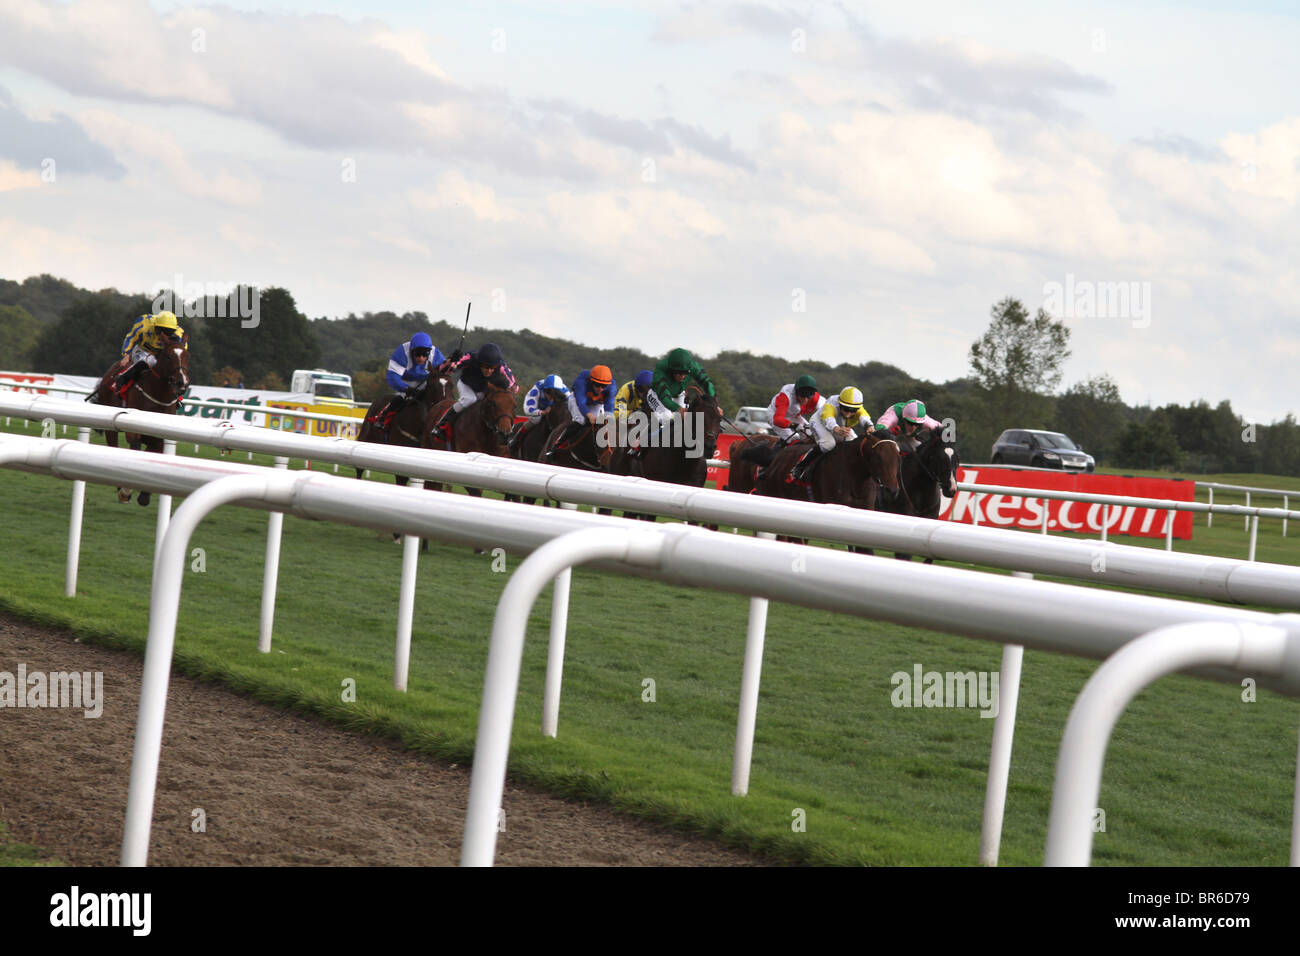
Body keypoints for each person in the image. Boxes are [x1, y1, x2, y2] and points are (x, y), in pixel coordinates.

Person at [789, 386, 873, 483]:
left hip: (840, 426)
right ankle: (800, 466)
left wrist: (869, 426)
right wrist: (836, 428)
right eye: (846, 409)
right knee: (828, 445)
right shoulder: (832, 403)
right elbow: (828, 419)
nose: (849, 414)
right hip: (820, 422)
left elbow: (865, 418)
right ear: (840, 404)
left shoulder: (858, 408)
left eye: (853, 410)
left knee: (854, 444)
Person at [432, 342, 517, 436]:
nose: (489, 371)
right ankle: (441, 425)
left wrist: (510, 389)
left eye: (492, 368)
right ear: (480, 363)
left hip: (483, 389)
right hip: (466, 385)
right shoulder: (471, 358)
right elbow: (450, 368)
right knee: (470, 399)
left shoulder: (500, 365)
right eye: (486, 367)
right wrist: (452, 360)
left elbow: (512, 383)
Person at [375, 331, 447, 423]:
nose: (421, 358)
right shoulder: (402, 353)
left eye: (424, 354)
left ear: (429, 352)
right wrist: (406, 388)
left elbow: (445, 370)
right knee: (400, 399)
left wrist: (453, 361)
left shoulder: (435, 354)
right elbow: (392, 377)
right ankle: (383, 419)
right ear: (411, 351)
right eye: (417, 354)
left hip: (425, 382)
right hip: (405, 382)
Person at [546, 365, 615, 458]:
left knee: (603, 424)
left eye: (604, 386)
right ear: (591, 381)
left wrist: (608, 419)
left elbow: (609, 406)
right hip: (577, 400)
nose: (600, 389)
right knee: (581, 420)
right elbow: (581, 403)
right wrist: (589, 415)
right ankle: (556, 445)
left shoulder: (611, 388)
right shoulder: (581, 382)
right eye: (597, 385)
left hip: (596, 403)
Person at [114, 311, 187, 394]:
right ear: (155, 326)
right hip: (142, 351)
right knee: (145, 363)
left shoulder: (179, 334)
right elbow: (130, 338)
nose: (163, 335)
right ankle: (122, 379)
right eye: (159, 330)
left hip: (160, 356)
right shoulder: (143, 323)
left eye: (168, 332)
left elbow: (182, 354)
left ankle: (176, 396)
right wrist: (126, 354)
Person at [511, 373, 569, 450]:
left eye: (554, 394)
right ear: (544, 390)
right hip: (539, 408)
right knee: (535, 420)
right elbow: (528, 409)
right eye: (549, 393)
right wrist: (542, 412)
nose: (551, 397)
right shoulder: (537, 389)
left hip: (554, 410)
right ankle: (515, 441)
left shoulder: (566, 393)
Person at [767, 374, 824, 441]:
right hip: (775, 415)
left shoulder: (815, 397)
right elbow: (778, 420)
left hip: (794, 416)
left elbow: (826, 410)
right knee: (793, 439)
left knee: (811, 434)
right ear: (797, 391)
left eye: (809, 396)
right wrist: (793, 425)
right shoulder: (785, 396)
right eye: (803, 395)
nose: (805, 399)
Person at [874, 399, 944, 450]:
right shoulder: (893, 415)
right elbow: (879, 428)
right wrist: (889, 434)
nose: (913, 428)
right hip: (891, 438)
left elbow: (945, 432)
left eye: (917, 424)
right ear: (903, 418)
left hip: (911, 439)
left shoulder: (927, 422)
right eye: (910, 423)